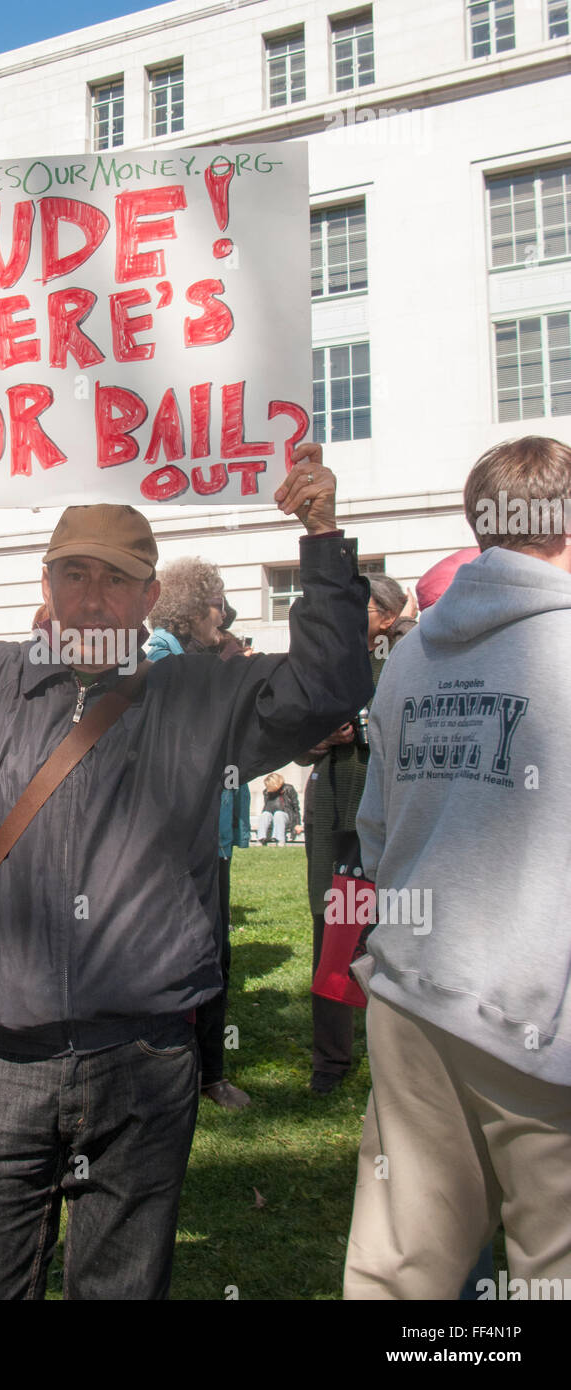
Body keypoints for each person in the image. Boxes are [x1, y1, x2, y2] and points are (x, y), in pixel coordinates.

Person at [0, 435, 373, 1300]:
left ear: (147, 596)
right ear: (45, 584)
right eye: (73, 574)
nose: (91, 597)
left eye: (113, 579)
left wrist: (323, 541)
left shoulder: (200, 696)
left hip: (143, 1060)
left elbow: (328, 685)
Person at [344, 436, 571, 1299]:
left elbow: (375, 825)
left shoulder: (410, 653)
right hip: (535, 1008)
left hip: (414, 988)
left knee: (405, 1263)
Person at [145, 559, 250, 1111]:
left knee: (215, 951)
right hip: (178, 835)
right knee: (186, 948)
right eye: (218, 602)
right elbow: (183, 723)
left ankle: (208, 1070)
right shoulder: (161, 654)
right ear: (189, 608)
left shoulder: (204, 657)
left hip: (210, 832)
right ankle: (185, 1071)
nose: (225, 613)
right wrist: (228, 672)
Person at [299, 574, 410, 1096]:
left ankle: (400, 1061)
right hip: (333, 817)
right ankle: (330, 1062)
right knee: (334, 935)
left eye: (362, 609)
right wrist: (323, 737)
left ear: (387, 617)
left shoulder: (411, 661)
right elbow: (297, 745)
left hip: (387, 816)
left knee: (392, 934)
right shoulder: (332, 663)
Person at [255, 772, 301, 846]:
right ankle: (261, 838)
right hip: (272, 817)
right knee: (265, 814)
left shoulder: (288, 789)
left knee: (278, 814)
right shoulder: (267, 792)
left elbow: (296, 807)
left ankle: (280, 840)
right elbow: (266, 807)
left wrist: (298, 824)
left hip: (286, 817)